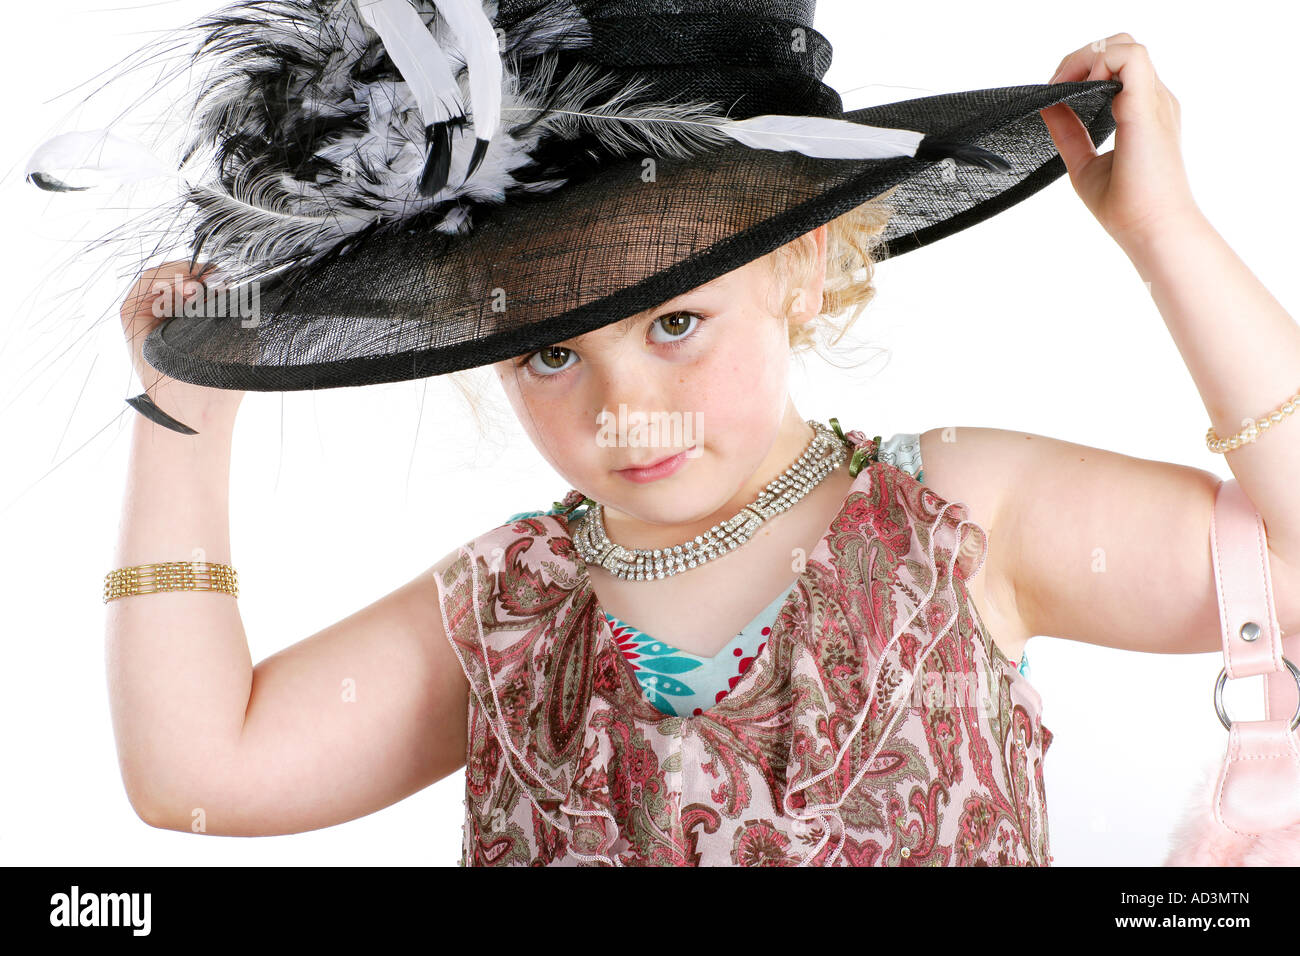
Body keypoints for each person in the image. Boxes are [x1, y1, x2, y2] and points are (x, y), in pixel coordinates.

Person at [67, 3, 1299, 865]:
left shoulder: (963, 521)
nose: (619, 409)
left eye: (674, 323)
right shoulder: (510, 608)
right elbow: (196, 775)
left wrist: (1166, 236)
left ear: (802, 266)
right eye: (550, 352)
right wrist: (183, 412)